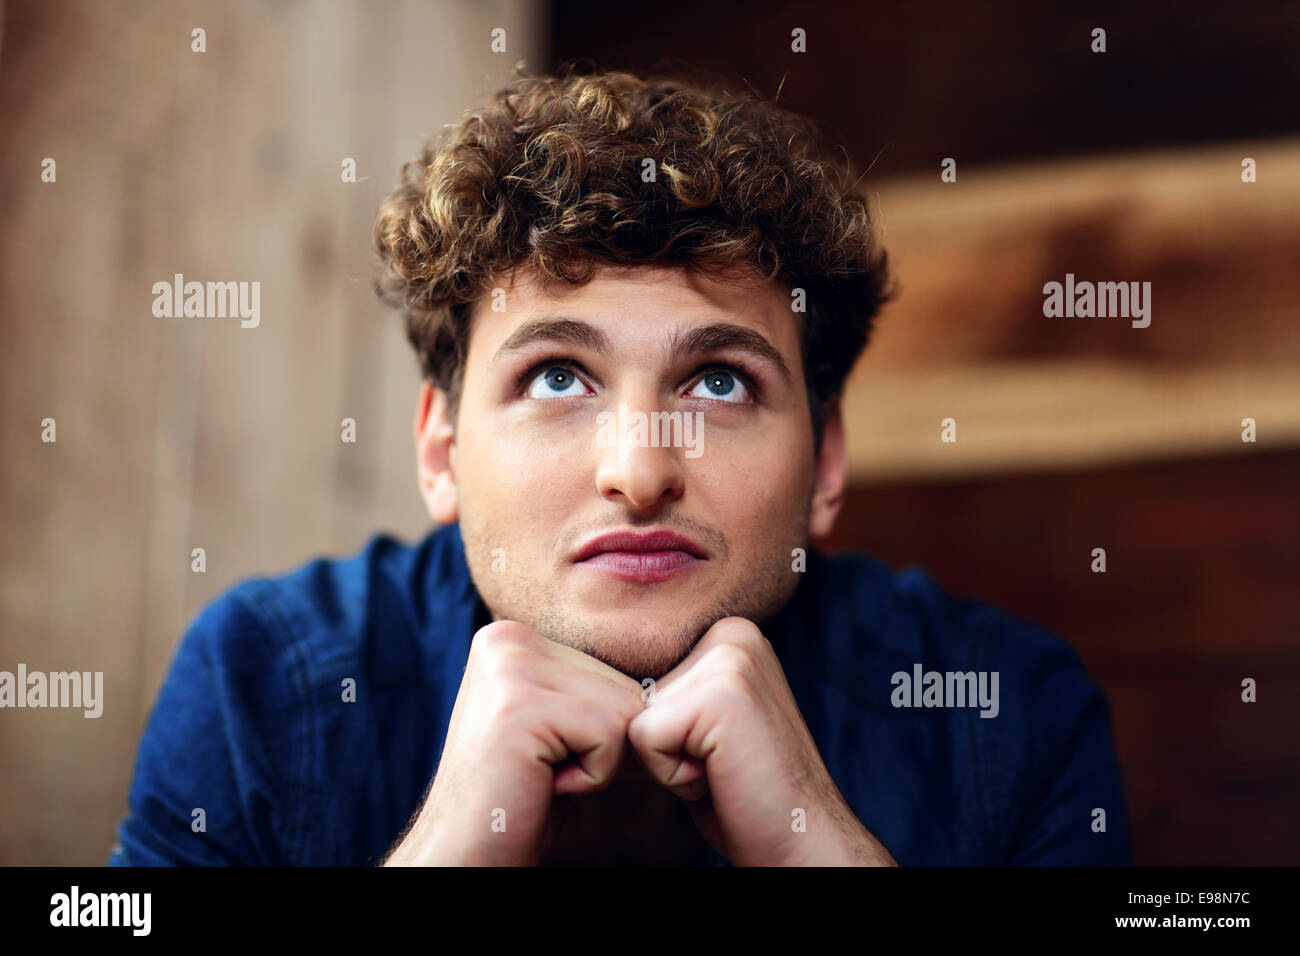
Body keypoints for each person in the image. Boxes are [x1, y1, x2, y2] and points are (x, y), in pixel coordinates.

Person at [110, 66, 1131, 866]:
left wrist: (812, 841)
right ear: (441, 449)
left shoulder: (1010, 712)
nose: (641, 472)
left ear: (824, 462)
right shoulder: (258, 683)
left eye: (719, 383)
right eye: (557, 377)